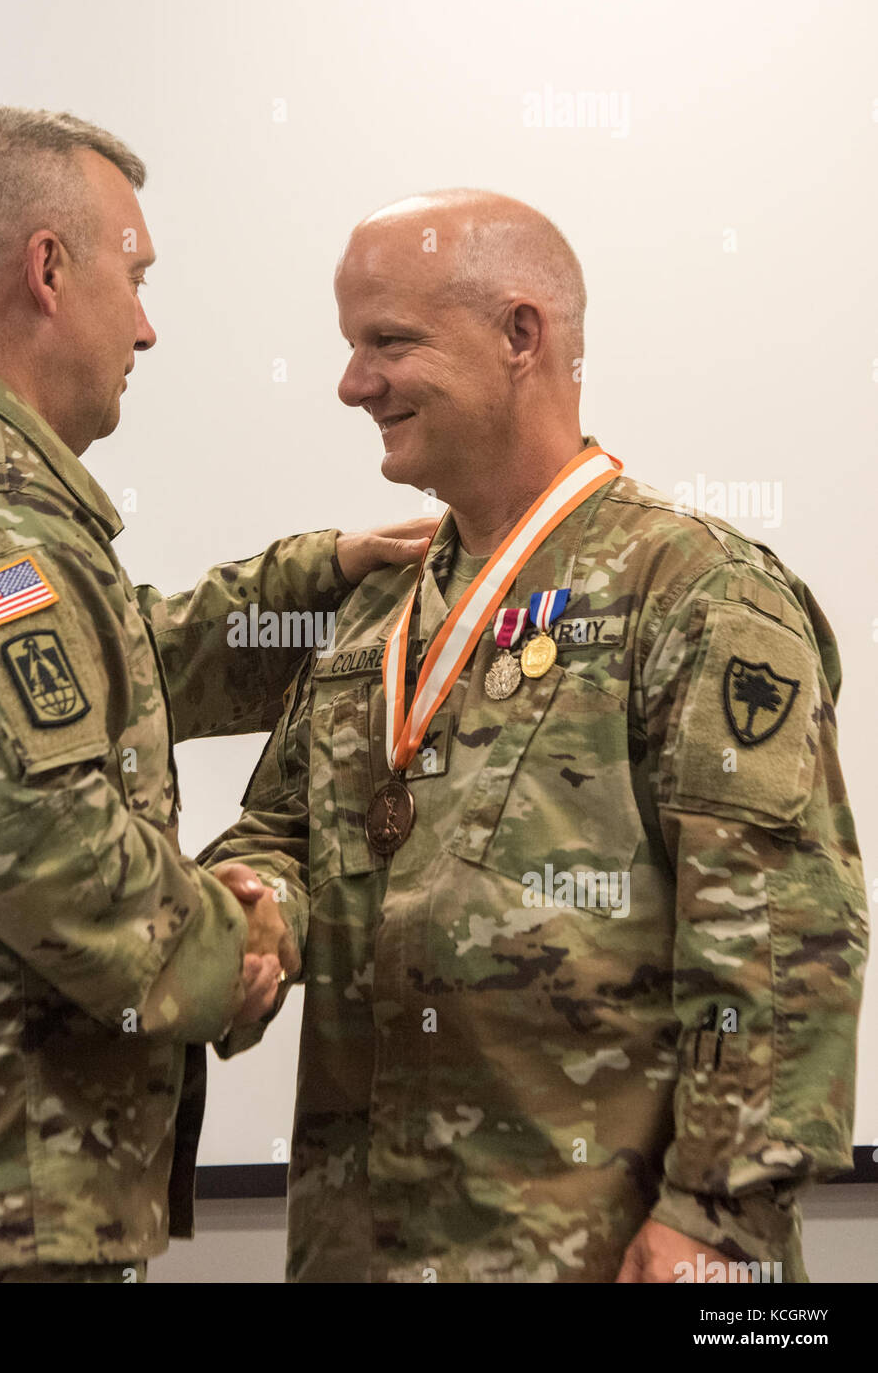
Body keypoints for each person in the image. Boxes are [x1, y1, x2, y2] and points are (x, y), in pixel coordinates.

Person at [0, 107, 428, 1283]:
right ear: (47, 270)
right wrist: (242, 943)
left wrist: (313, 586)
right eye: (134, 273)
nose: (147, 328)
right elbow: (42, 842)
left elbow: (95, 670)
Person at [203, 189, 868, 1283]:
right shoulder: (380, 608)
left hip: (601, 1254)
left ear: (520, 335)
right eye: (348, 347)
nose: (351, 383)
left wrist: (715, 1220)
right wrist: (256, 900)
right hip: (359, 1248)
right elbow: (283, 825)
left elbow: (780, 942)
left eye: (388, 343)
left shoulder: (694, 594)